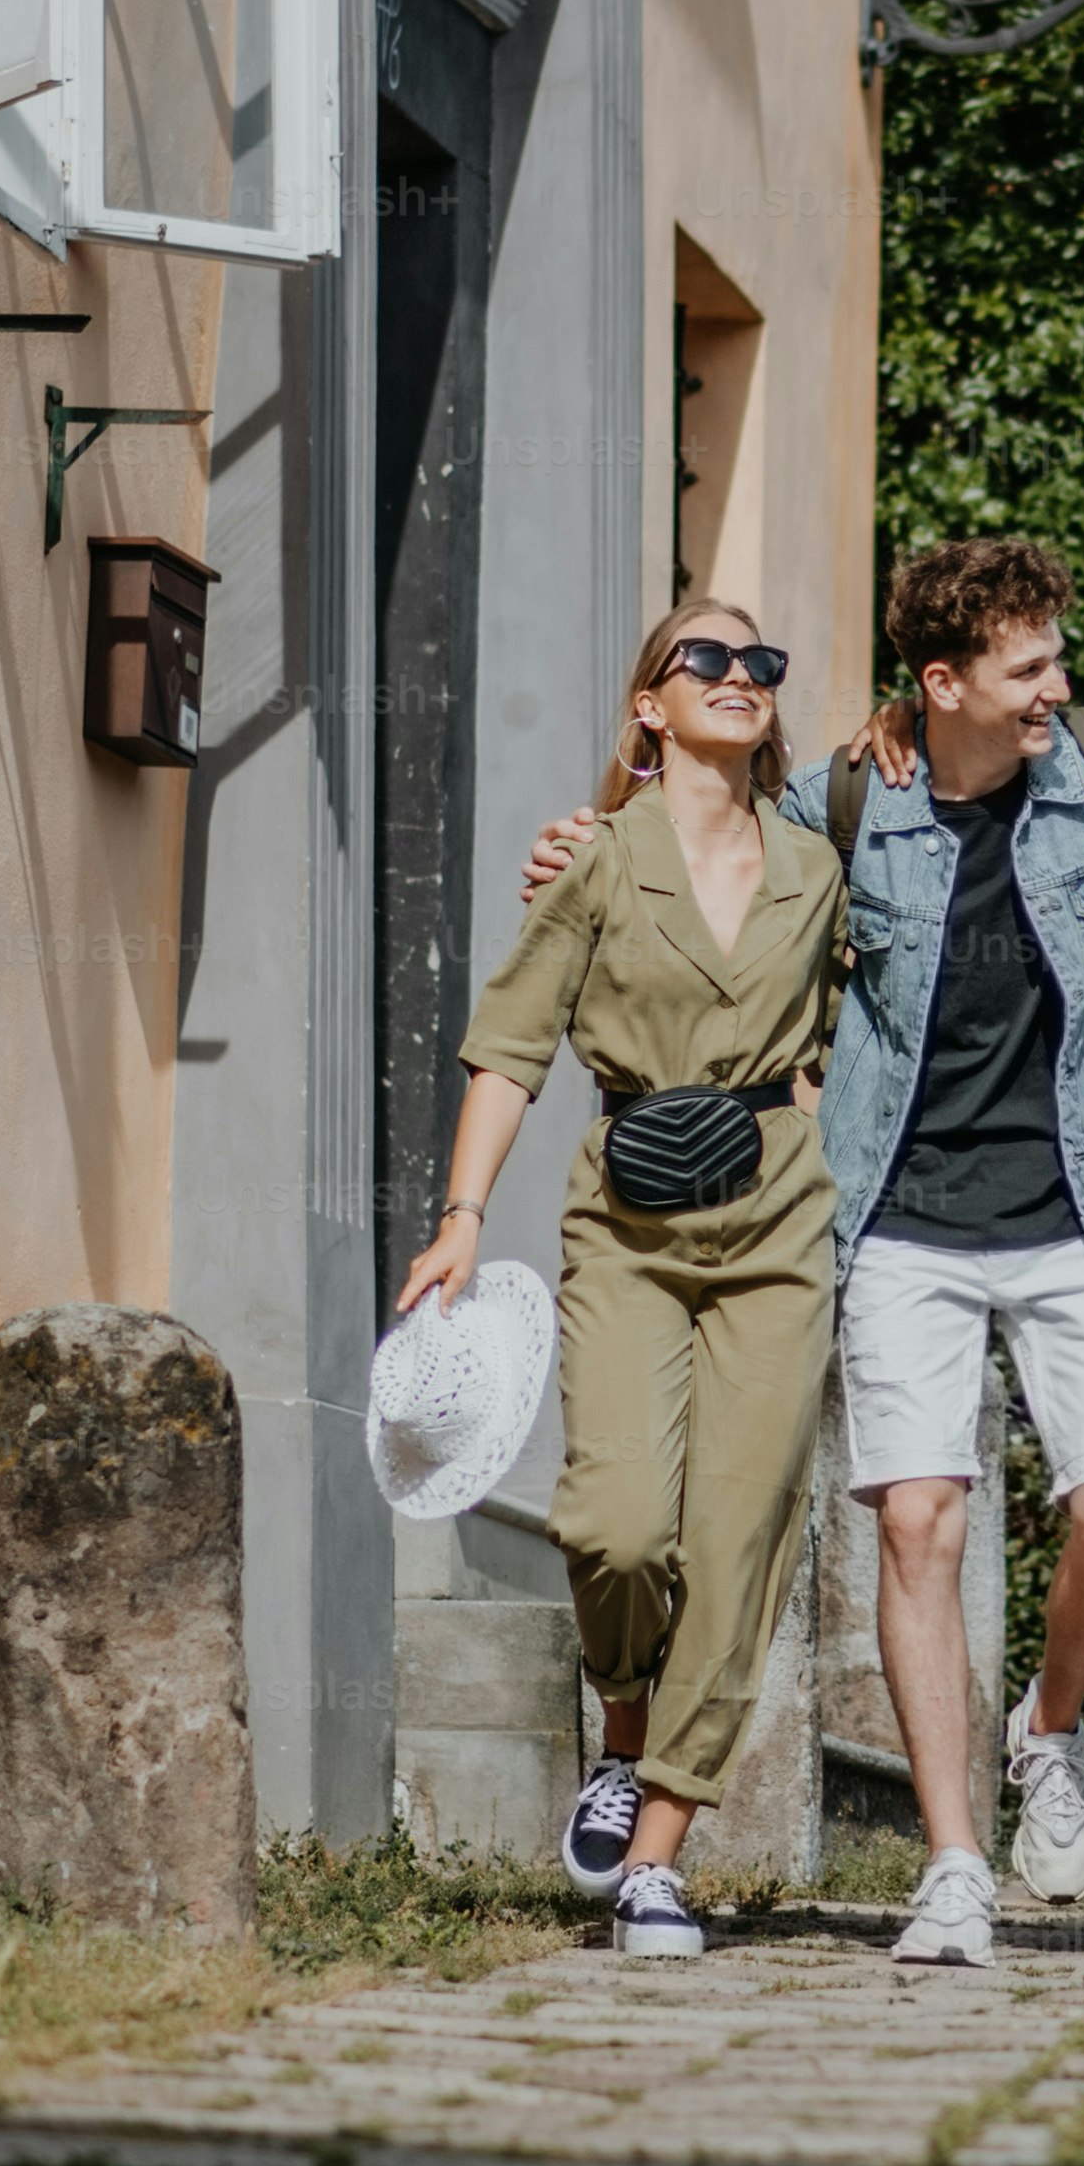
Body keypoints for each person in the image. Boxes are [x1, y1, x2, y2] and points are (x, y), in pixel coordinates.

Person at [535, 540, 1084, 1962]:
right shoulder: (845, 801)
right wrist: (583, 845)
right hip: (900, 1212)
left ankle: (1049, 1726)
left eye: (1055, 659)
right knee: (918, 1520)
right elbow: (700, 843)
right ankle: (955, 1862)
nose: (1056, 687)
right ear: (940, 681)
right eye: (1028, 666)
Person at [397, 598, 845, 1960]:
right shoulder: (594, 858)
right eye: (705, 657)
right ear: (651, 702)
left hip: (776, 1220)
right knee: (615, 1522)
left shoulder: (816, 866)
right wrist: (462, 1215)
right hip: (629, 1218)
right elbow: (511, 1042)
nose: (738, 674)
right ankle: (625, 1721)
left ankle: (656, 1853)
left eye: (760, 661)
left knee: (738, 1535)